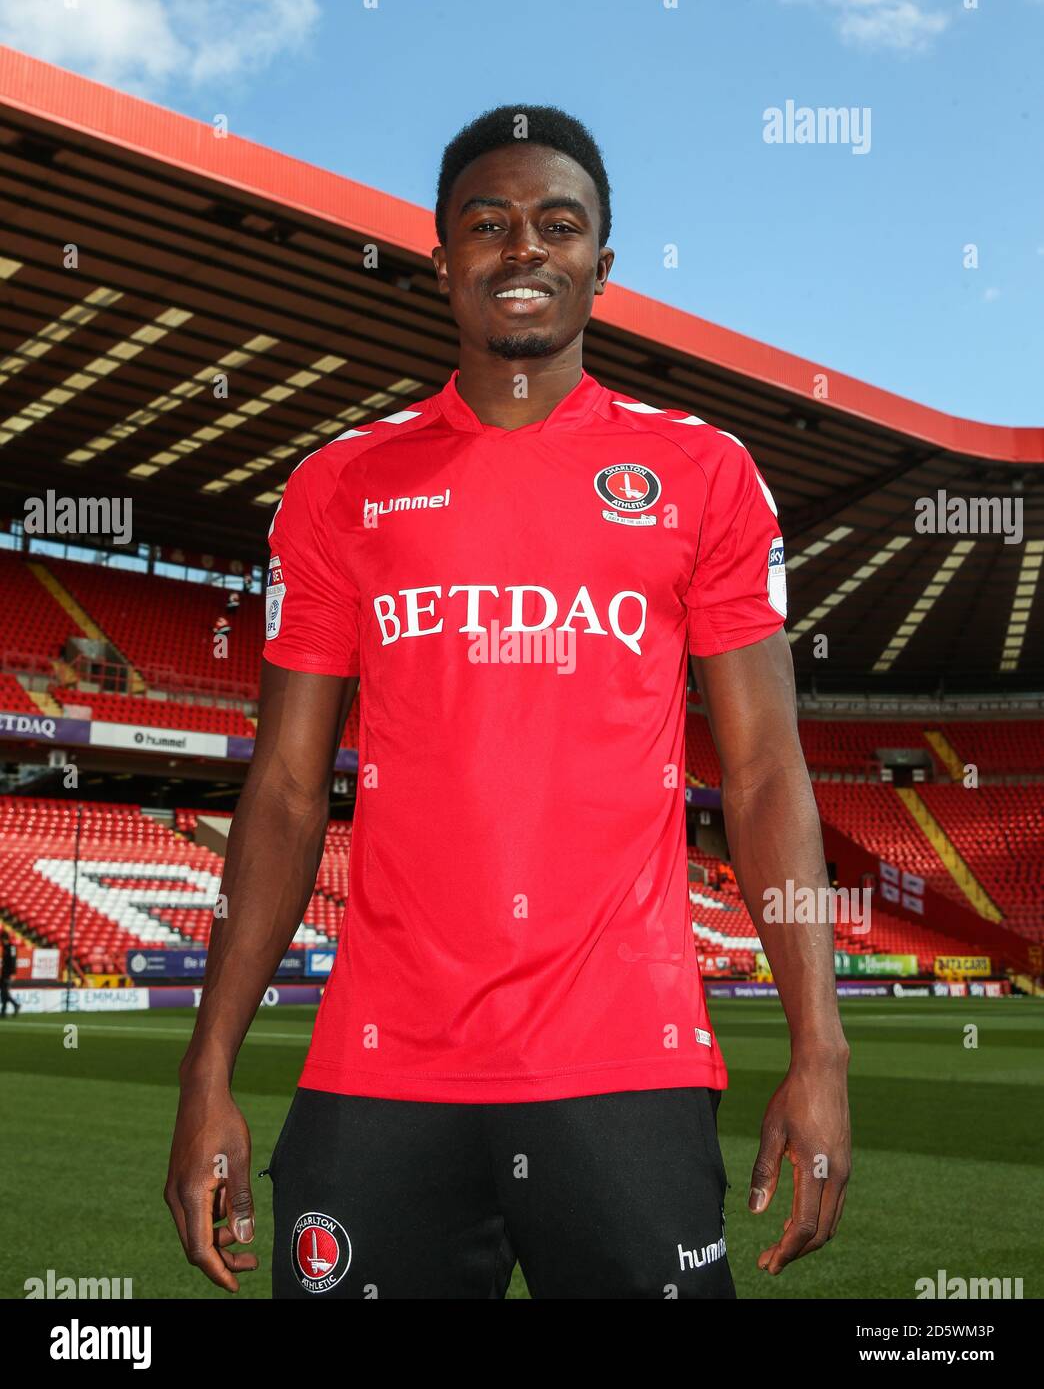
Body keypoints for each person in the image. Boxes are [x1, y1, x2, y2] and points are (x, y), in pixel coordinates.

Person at [166, 104, 850, 1299]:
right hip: (381, 1067)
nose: (522, 247)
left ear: (602, 265)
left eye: (557, 224)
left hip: (626, 1059)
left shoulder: (705, 473)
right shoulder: (339, 488)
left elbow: (763, 773)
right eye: (487, 223)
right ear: (440, 259)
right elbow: (282, 787)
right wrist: (207, 1066)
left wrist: (820, 1044)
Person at [1, 930, 21, 1017]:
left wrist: (13, 973)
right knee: (3, 992)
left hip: (8, 973)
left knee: (5, 992)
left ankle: (15, 1005)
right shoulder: (5, 947)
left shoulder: (11, 947)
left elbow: (13, 961)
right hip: (4, 973)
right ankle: (3, 1011)